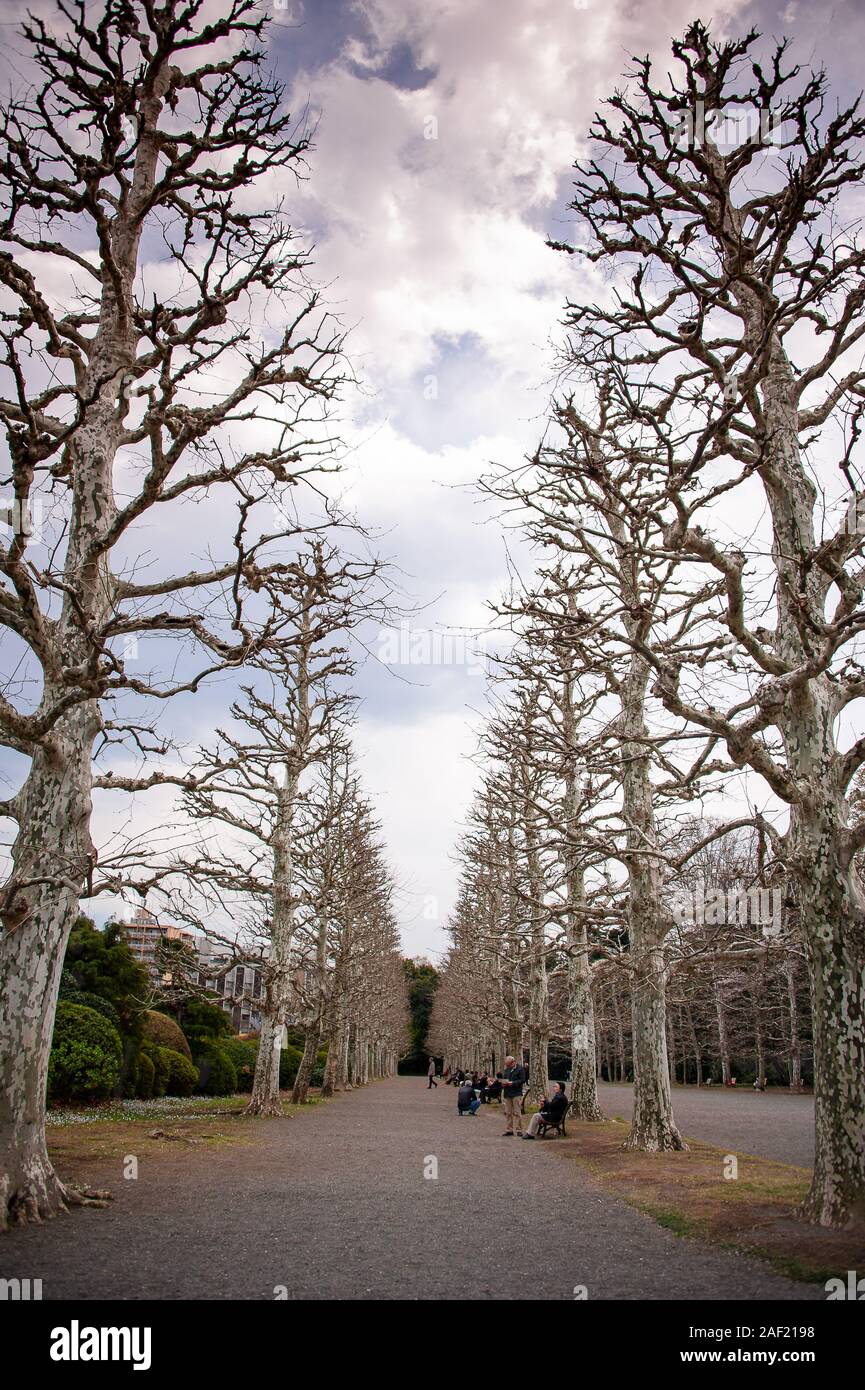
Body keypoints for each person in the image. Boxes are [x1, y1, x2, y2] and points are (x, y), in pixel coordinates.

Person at [500, 1054, 527, 1136]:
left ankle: (519, 1130)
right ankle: (509, 1129)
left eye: (508, 1064)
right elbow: (505, 1078)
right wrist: (503, 1083)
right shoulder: (507, 1069)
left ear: (513, 1062)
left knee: (517, 1112)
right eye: (507, 1065)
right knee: (508, 1112)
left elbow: (522, 1080)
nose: (508, 1066)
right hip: (508, 1093)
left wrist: (512, 1083)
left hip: (516, 1093)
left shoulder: (520, 1069)